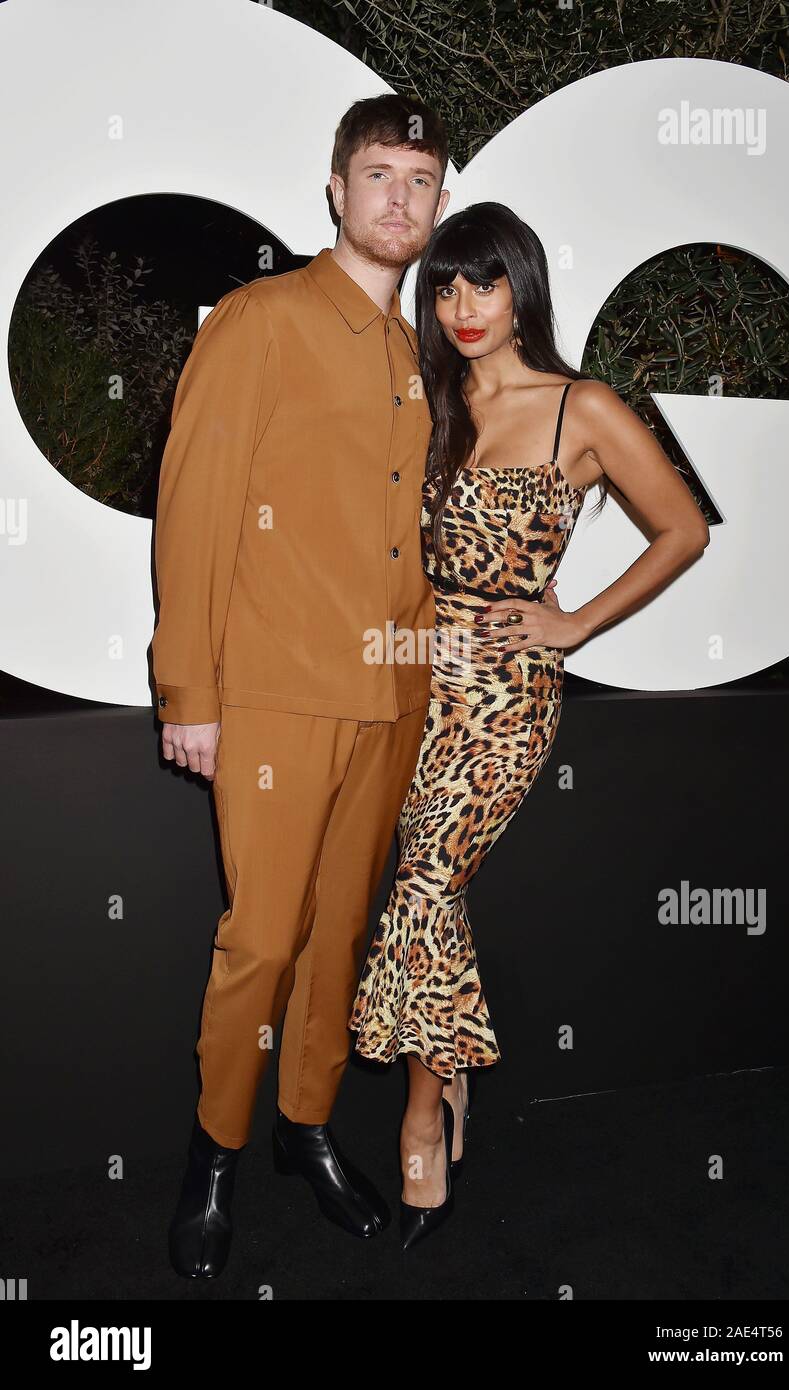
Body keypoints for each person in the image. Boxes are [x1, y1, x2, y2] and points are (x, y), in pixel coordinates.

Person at [347, 201, 710, 1249]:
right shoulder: (428, 399)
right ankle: (450, 1076)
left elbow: (680, 527)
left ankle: (421, 1115)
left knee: (421, 878)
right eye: (445, 287)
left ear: (522, 290)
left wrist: (571, 623)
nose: (462, 307)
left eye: (483, 284)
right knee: (426, 883)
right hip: (416, 672)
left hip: (506, 694)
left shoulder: (579, 408)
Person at [151, 93, 450, 1278]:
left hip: (389, 700)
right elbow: (195, 511)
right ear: (336, 190)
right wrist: (189, 694)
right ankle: (213, 1151)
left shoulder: (425, 351)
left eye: (419, 180)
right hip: (273, 692)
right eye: (377, 174)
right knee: (261, 943)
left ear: (436, 204)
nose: (397, 198)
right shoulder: (259, 319)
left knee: (338, 946)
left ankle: (305, 1129)